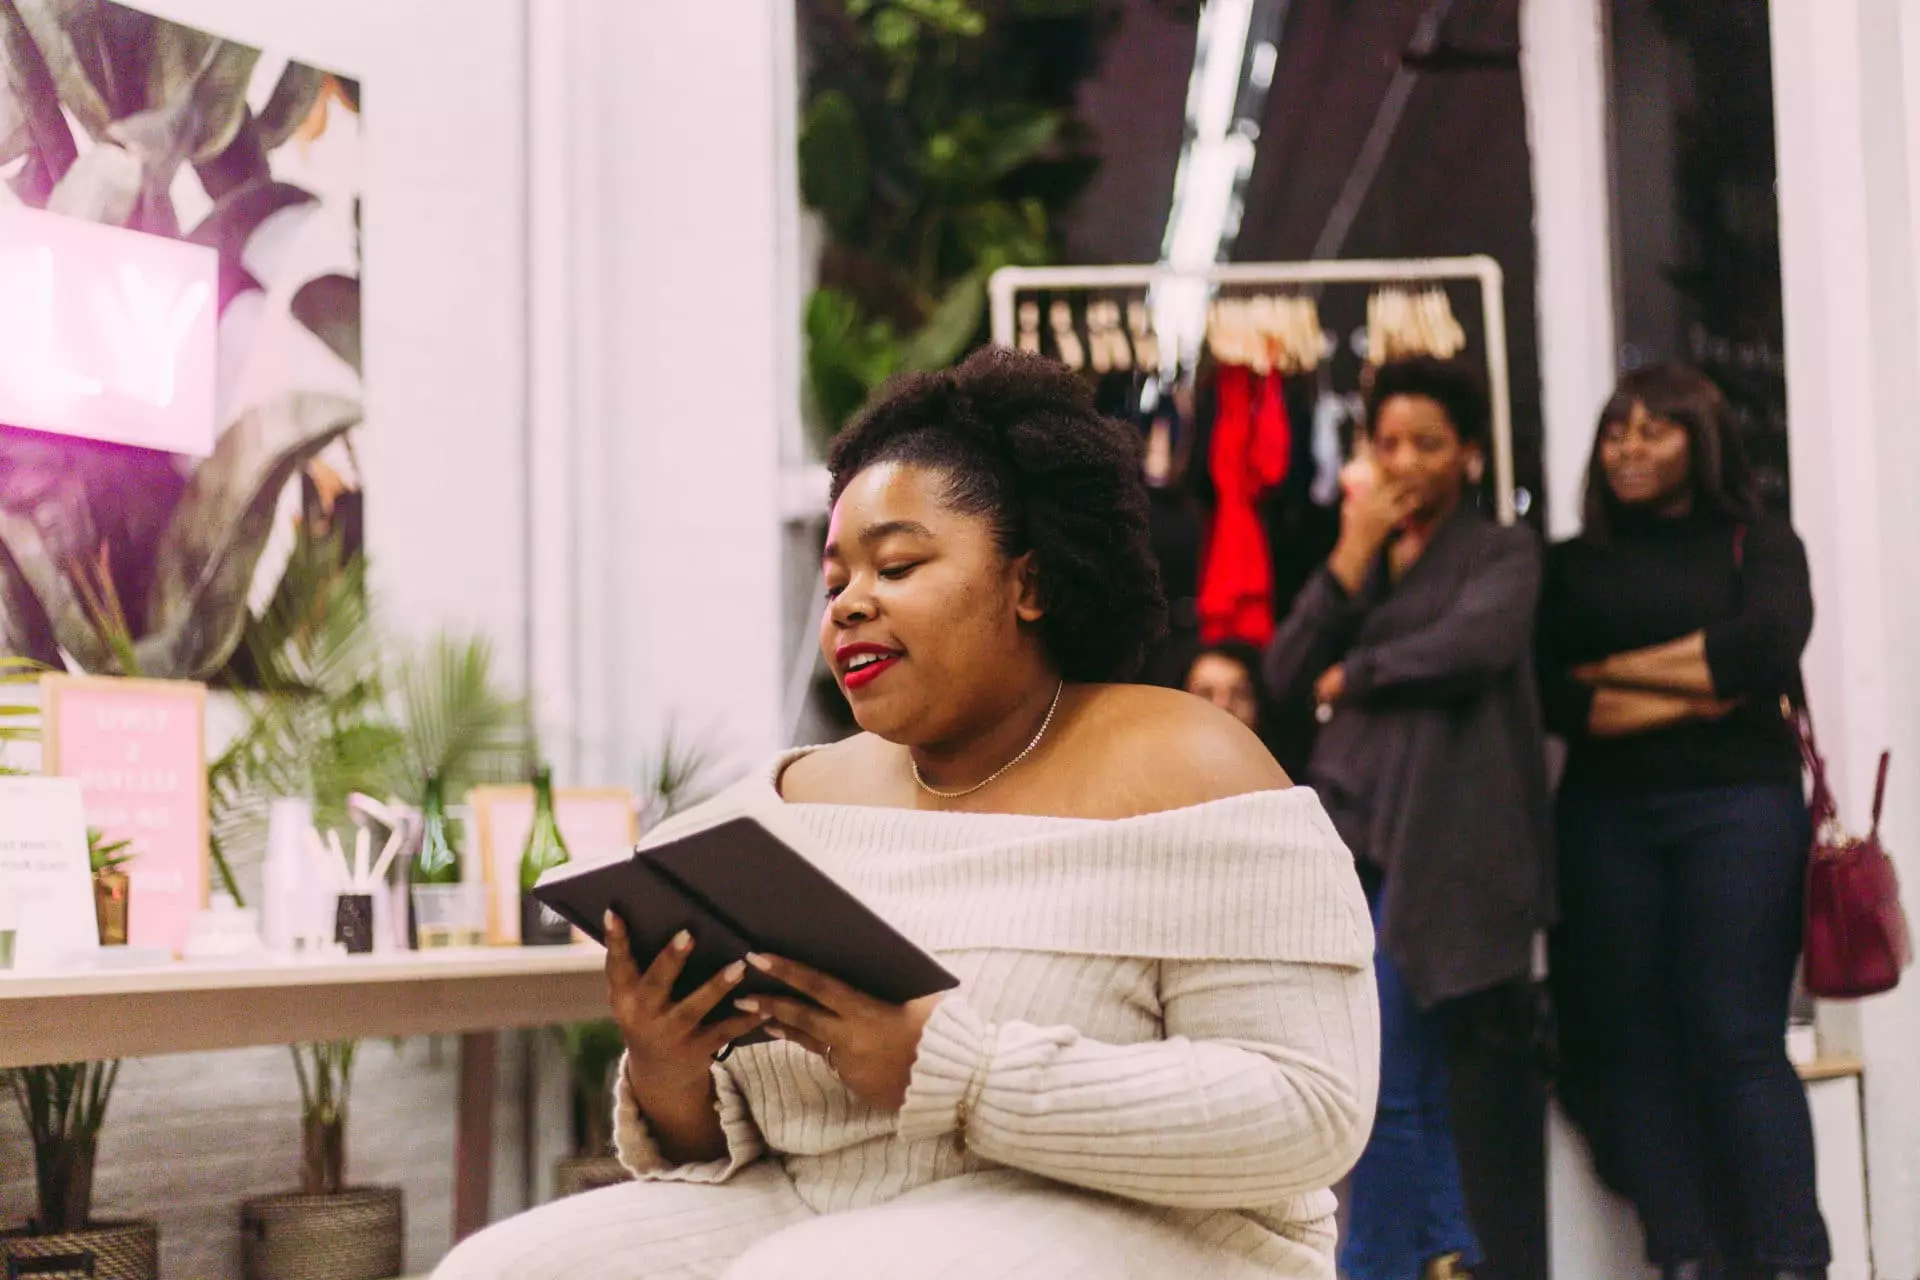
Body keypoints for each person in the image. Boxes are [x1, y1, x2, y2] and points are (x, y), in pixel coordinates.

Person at [435, 347, 1379, 1279]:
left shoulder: (1192, 765)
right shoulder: (784, 809)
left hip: (1170, 1231)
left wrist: (959, 1071)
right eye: (837, 579)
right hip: (821, 1207)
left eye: (896, 566)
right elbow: (722, 1149)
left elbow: (1311, 1109)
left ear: (1031, 582)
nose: (849, 606)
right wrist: (667, 1068)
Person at [1265, 356, 1552, 1280]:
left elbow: (1477, 645)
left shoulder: (1501, 552)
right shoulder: (1360, 555)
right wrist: (1350, 559)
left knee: (1389, 1072)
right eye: (1388, 442)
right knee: (1393, 1075)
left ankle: (1385, 1264)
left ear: (1469, 454)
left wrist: (1360, 676)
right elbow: (1281, 672)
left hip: (1448, 846)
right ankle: (1445, 1255)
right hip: (1358, 840)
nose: (1404, 463)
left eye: (1428, 443)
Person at [1538, 363, 1827, 1280]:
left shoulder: (1760, 543)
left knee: (1738, 1036)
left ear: (1702, 441)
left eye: (1654, 429)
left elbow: (1762, 650)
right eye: (1616, 429)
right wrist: (1705, 679)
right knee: (1634, 1040)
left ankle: (1791, 1260)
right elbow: (1557, 697)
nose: (1628, 447)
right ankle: (1686, 1258)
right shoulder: (1571, 565)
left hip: (1741, 807)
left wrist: (1618, 672)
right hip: (1605, 818)